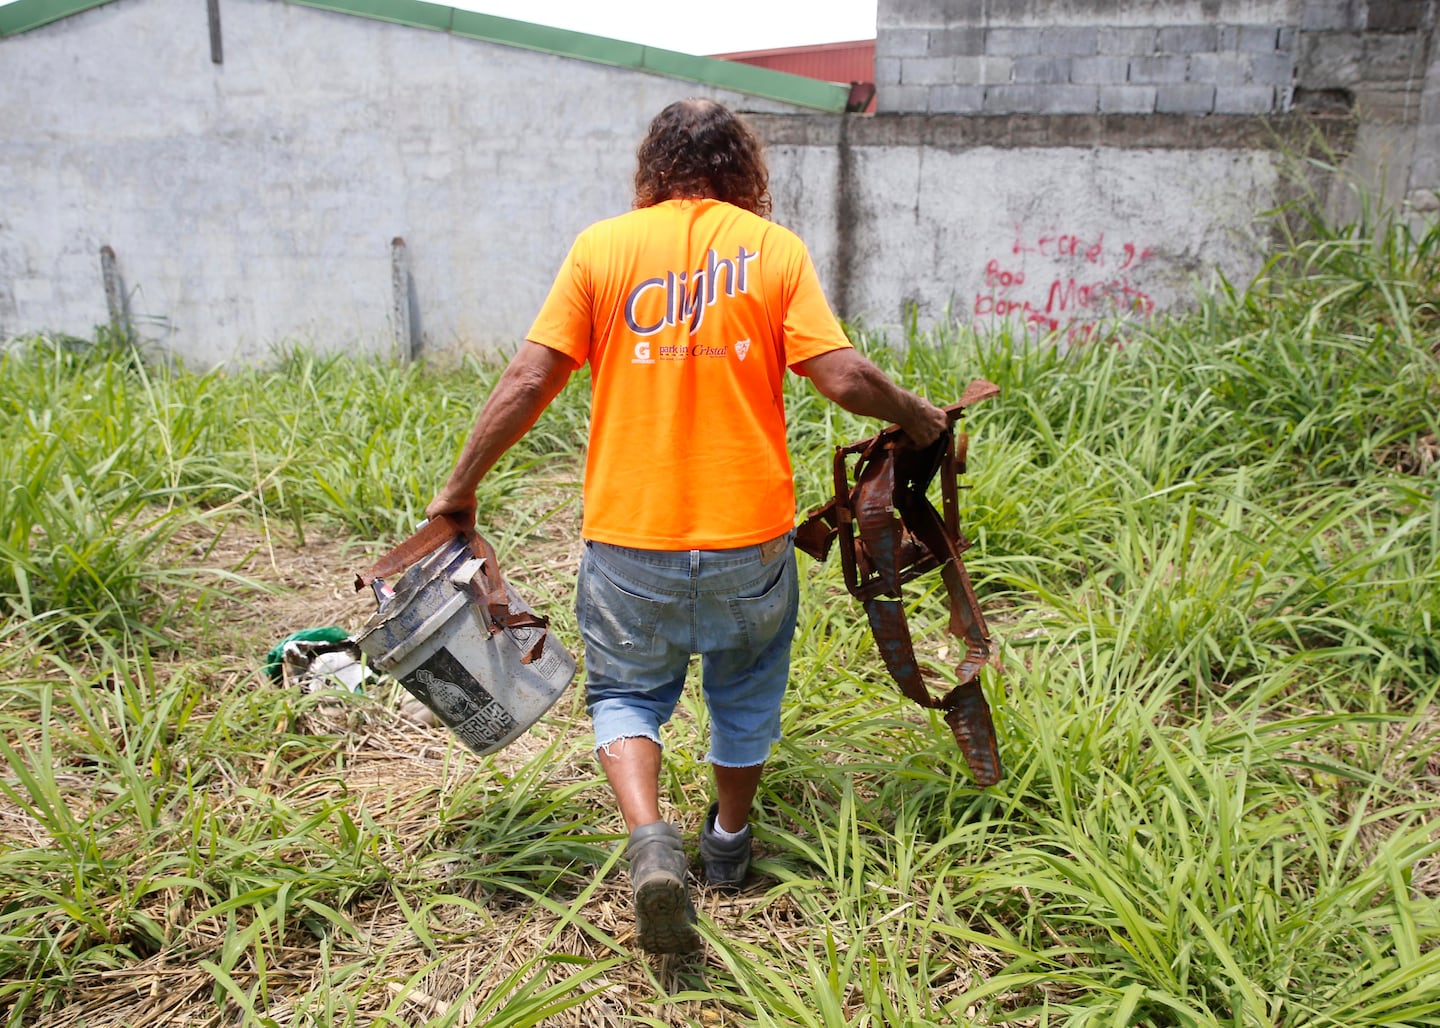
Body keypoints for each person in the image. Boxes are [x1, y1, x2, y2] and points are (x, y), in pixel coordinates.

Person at [426, 97, 948, 954]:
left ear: (655, 165)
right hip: (749, 539)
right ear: (743, 169)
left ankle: (649, 843)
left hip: (633, 542)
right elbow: (844, 376)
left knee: (627, 693)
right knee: (744, 691)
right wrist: (917, 414)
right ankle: (729, 846)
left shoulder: (602, 249)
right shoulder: (773, 251)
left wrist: (459, 489)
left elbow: (529, 377)